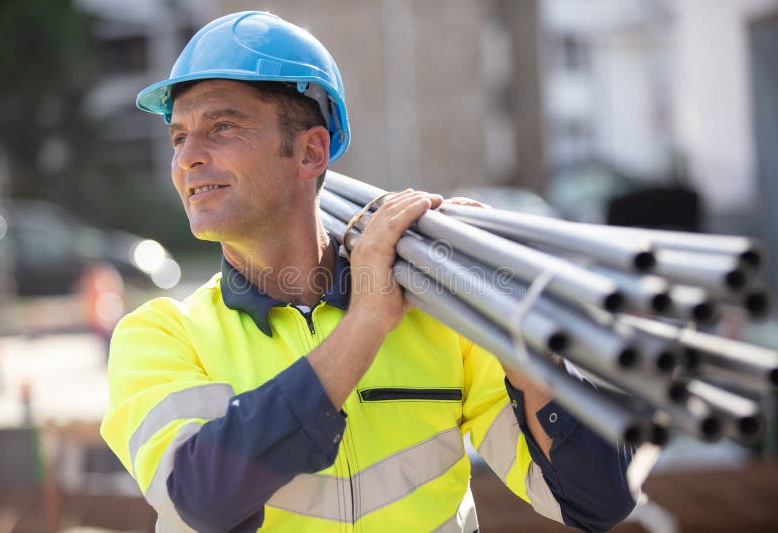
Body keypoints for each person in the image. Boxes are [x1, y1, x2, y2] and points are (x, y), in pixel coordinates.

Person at [100, 11, 636, 533]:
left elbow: (596, 504)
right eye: (178, 137)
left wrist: (520, 337)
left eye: (221, 126)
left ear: (311, 151)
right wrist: (366, 323)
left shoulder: (439, 318)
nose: (188, 157)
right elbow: (203, 499)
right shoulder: (161, 337)